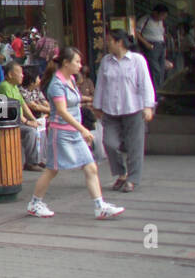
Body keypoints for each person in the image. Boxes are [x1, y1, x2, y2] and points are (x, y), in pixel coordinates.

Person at [25, 47, 123, 220]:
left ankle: (99, 206)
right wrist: (83, 129)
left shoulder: (70, 79)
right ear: (66, 63)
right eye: (77, 61)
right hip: (60, 134)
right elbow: (62, 111)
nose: (80, 65)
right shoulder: (57, 84)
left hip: (74, 134)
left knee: (91, 167)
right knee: (52, 170)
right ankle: (34, 203)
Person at [93, 29, 155, 194]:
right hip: (111, 110)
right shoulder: (106, 61)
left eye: (110, 41)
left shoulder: (137, 60)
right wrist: (97, 106)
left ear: (119, 42)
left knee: (135, 145)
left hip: (133, 108)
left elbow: (145, 84)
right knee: (109, 143)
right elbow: (101, 85)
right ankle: (121, 173)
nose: (107, 44)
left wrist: (148, 106)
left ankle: (133, 179)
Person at [0, 61, 45, 171]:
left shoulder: (14, 87)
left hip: (16, 121)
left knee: (40, 127)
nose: (22, 75)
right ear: (10, 75)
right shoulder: (5, 87)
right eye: (20, 73)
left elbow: (23, 105)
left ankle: (39, 159)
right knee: (30, 131)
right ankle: (31, 162)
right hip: (7, 123)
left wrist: (34, 119)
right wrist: (27, 122)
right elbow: (13, 110)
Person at [136, 3, 170, 89]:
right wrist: (146, 44)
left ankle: (161, 88)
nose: (163, 18)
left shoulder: (161, 21)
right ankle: (156, 91)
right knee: (155, 70)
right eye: (162, 15)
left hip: (161, 45)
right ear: (155, 13)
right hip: (151, 46)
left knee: (162, 69)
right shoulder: (145, 19)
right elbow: (136, 32)